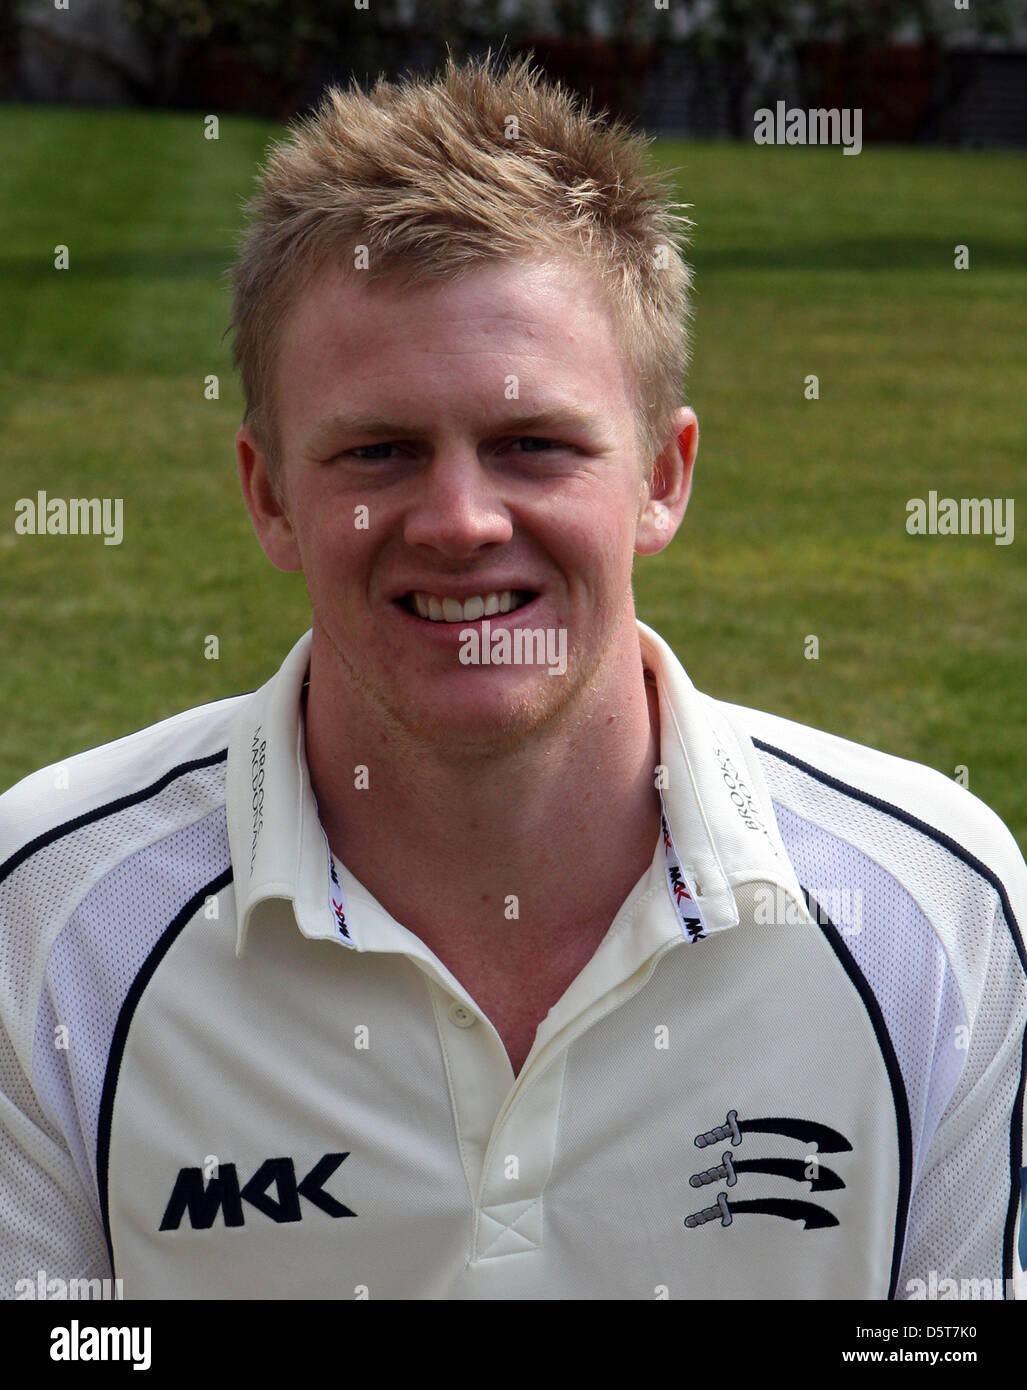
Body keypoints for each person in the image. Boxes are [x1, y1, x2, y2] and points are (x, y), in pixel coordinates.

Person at [1, 54, 1024, 1303]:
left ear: (663, 473)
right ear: (270, 497)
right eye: (379, 449)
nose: (461, 520)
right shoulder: (52, 916)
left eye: (531, 443)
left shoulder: (933, 906)